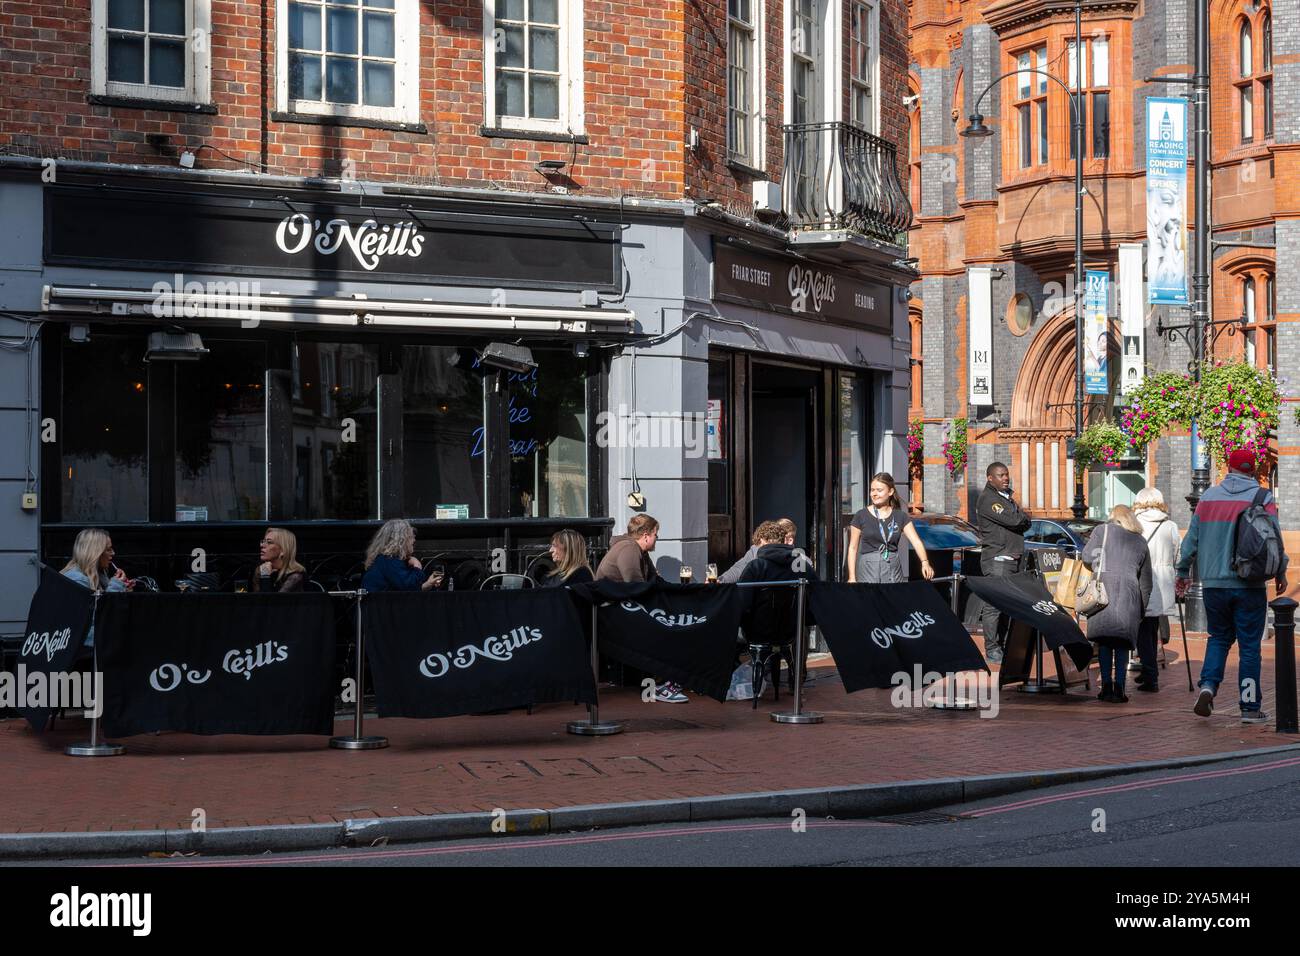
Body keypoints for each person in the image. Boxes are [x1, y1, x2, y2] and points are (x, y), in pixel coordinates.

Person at [1176, 449, 1289, 723]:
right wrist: (1280, 570)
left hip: (1214, 585)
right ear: (1252, 469)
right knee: (1250, 647)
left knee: (1219, 638)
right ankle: (1249, 707)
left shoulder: (1208, 498)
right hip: (1249, 584)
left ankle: (1208, 686)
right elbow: (1274, 537)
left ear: (1229, 467)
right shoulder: (1262, 497)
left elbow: (1191, 540)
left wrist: (1182, 571)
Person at [1081, 505, 1153, 703]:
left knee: (1104, 642)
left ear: (1113, 517)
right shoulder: (1140, 541)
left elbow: (1087, 557)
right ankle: (1120, 687)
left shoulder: (1101, 531)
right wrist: (1141, 608)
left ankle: (1105, 687)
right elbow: (1146, 582)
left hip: (1102, 593)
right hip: (1128, 597)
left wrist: (1100, 566)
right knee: (1121, 643)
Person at [974, 461, 1032, 663]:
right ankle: (992, 649)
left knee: (1009, 605)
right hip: (998, 559)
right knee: (994, 606)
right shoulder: (989, 499)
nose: (1005, 478)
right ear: (990, 478)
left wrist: (1021, 517)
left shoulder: (1007, 498)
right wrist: (1020, 517)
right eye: (1000, 475)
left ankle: (1005, 645)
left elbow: (1026, 520)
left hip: (1012, 559)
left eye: (1006, 474)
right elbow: (1017, 521)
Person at [1133, 488, 1181, 692]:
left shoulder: (1134, 524)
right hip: (1163, 581)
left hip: (1142, 579)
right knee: (1151, 627)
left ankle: (1151, 675)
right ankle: (1148, 670)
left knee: (1143, 630)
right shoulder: (1170, 525)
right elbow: (1178, 554)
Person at [847, 472, 934, 583]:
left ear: (890, 492)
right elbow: (852, 548)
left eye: (879, 490)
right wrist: (852, 577)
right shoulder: (861, 515)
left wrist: (925, 562)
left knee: (894, 598)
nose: (874, 494)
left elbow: (916, 541)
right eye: (872, 490)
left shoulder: (900, 516)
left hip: (893, 569)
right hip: (868, 569)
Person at [61, 528, 129, 648]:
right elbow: (92, 625)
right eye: (108, 549)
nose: (113, 553)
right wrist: (116, 587)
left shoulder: (98, 576)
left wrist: (125, 590)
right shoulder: (77, 580)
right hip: (84, 654)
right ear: (95, 553)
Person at [361, 519, 444, 592]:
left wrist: (427, 585)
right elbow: (408, 587)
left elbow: (405, 591)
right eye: (411, 537)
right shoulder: (388, 559)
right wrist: (417, 566)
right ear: (400, 541)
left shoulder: (387, 559)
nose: (414, 540)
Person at [595, 514, 660, 584]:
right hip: (609, 594)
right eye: (655, 535)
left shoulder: (642, 551)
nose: (656, 538)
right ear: (646, 536)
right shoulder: (629, 548)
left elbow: (655, 579)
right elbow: (636, 585)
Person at [250, 527, 307, 592]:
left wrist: (265, 576)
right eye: (263, 541)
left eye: (269, 542)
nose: (262, 545)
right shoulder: (261, 570)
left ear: (283, 550)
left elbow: (270, 601)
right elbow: (256, 600)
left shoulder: (296, 576)